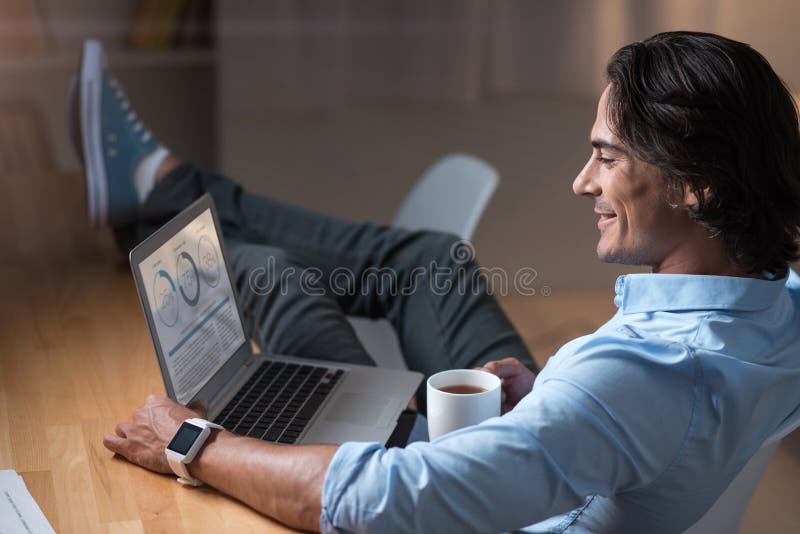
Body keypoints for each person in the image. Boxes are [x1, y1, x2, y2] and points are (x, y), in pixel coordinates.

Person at [80, 31, 800, 533]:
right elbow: (647, 414)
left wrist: (192, 443)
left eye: (608, 158)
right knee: (432, 260)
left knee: (277, 279)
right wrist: (546, 398)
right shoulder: (779, 302)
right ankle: (157, 193)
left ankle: (149, 204)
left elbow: (381, 501)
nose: (582, 182)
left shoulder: (632, 378)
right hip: (571, 456)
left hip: (477, 509)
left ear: (698, 188)